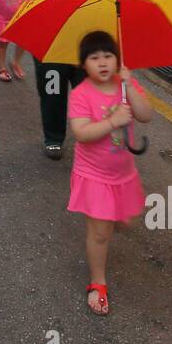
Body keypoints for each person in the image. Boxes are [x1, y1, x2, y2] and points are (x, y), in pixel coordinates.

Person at [68, 30, 153, 315]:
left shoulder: (125, 85)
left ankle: (113, 217)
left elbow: (145, 114)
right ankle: (97, 282)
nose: (103, 62)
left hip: (123, 172)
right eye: (94, 58)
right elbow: (81, 132)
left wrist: (131, 87)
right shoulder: (81, 94)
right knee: (101, 233)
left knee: (123, 218)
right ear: (83, 65)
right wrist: (112, 121)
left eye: (108, 56)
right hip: (95, 176)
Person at [35, 0, 98, 159]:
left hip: (83, 46)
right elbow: (49, 14)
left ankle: (90, 135)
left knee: (89, 92)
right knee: (53, 95)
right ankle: (53, 138)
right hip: (52, 48)